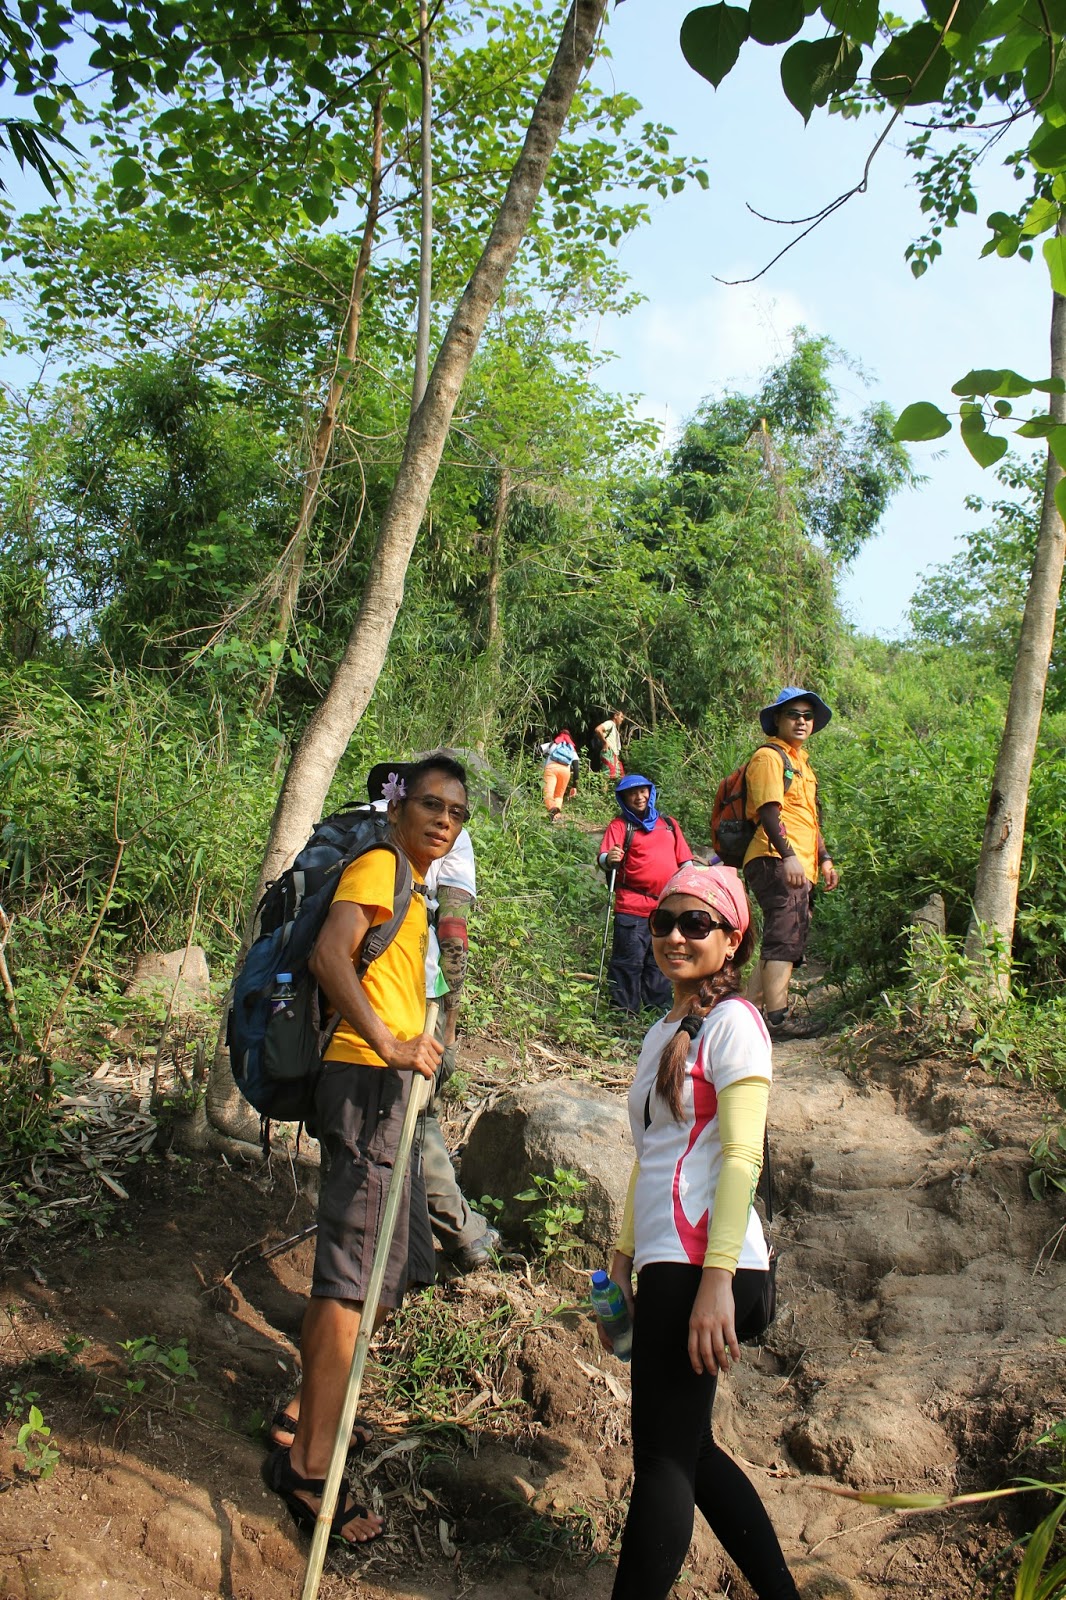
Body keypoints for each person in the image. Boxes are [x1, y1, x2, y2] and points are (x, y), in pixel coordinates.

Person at [264, 755, 469, 1545]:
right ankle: (310, 1469)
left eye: (456, 812)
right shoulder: (380, 864)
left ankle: (302, 1410)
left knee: (394, 1268)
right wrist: (387, 1042)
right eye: (430, 804)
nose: (444, 820)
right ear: (396, 807)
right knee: (351, 1278)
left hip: (394, 1098)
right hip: (365, 1085)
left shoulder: (412, 883)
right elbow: (329, 956)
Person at [602, 862, 801, 1600]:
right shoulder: (664, 1031)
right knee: (688, 1449)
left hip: (708, 1268)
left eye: (696, 924)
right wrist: (618, 1268)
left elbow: (744, 1155)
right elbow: (650, 1158)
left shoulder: (736, 1024)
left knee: (660, 1457)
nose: (675, 936)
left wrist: (715, 1281)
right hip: (666, 1266)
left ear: (733, 938)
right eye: (663, 922)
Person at [742, 687, 839, 1040]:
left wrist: (824, 860)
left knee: (784, 937)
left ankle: (746, 1013)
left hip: (798, 863)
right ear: (778, 720)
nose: (801, 721)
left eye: (807, 716)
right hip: (775, 858)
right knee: (784, 939)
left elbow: (808, 820)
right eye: (793, 714)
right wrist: (790, 857)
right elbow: (770, 811)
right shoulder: (770, 757)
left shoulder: (801, 762)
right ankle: (778, 1021)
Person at [597, 775, 692, 1015]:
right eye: (632, 793)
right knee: (627, 963)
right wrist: (610, 859)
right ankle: (623, 1013)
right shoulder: (620, 826)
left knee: (660, 962)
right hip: (631, 907)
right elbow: (604, 857)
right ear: (624, 798)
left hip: (665, 909)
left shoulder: (668, 824)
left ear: (650, 793)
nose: (639, 797)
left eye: (643, 792)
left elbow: (685, 862)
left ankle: (657, 1014)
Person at [541, 729, 580, 820]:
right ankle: (556, 816)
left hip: (551, 769)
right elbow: (576, 768)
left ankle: (552, 810)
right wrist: (574, 785)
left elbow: (537, 749)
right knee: (559, 795)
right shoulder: (571, 749)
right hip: (565, 771)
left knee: (548, 793)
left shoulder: (553, 744)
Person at [595, 709, 626, 779]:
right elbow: (598, 729)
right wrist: (605, 742)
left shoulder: (614, 727)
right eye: (621, 717)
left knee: (620, 775)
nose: (622, 719)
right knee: (608, 775)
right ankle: (604, 790)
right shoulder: (610, 723)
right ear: (615, 716)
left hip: (614, 755)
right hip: (608, 752)